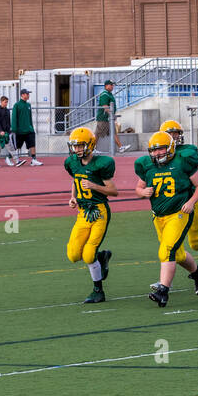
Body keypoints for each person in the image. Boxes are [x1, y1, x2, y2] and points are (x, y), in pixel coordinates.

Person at [134, 131, 198, 307]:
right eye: (154, 150)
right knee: (178, 254)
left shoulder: (182, 162)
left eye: (161, 149)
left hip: (179, 213)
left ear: (171, 148)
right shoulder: (146, 165)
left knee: (166, 251)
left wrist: (191, 202)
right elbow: (138, 187)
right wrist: (142, 192)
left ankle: (163, 292)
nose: (157, 153)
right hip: (159, 216)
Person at [159, 119, 198, 286]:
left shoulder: (187, 152)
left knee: (195, 242)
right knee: (168, 245)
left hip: (189, 202)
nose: (172, 136)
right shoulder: (157, 154)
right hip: (169, 206)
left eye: (175, 133)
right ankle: (164, 281)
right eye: (168, 134)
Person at [64, 127, 117, 303]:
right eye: (74, 146)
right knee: (73, 255)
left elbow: (113, 191)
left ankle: (98, 291)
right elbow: (76, 180)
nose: (77, 149)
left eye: (80, 146)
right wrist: (73, 197)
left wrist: (94, 186)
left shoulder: (101, 163)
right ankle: (102, 257)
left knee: (88, 254)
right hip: (83, 213)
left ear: (90, 145)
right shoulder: (72, 162)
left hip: (99, 211)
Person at [95, 80, 130, 153]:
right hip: (104, 118)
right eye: (111, 85)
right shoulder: (104, 94)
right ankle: (91, 149)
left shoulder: (109, 94)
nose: (112, 86)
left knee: (113, 133)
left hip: (109, 118)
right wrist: (112, 115)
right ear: (106, 86)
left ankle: (120, 147)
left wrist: (112, 116)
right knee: (97, 134)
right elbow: (105, 106)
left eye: (113, 85)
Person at [11, 89, 43, 166]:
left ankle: (33, 160)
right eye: (27, 94)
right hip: (20, 130)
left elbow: (30, 117)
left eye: (28, 94)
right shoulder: (17, 105)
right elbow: (14, 117)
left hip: (29, 130)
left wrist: (31, 127)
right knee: (17, 146)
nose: (28, 95)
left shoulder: (28, 105)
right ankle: (12, 159)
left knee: (32, 144)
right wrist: (14, 129)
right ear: (22, 95)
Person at [0, 96, 13, 167]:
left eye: (7, 102)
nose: (6, 103)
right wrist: (0, 131)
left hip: (6, 133)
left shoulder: (7, 110)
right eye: (5, 102)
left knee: (10, 147)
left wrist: (9, 130)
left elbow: (8, 121)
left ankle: (17, 160)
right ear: (1, 102)